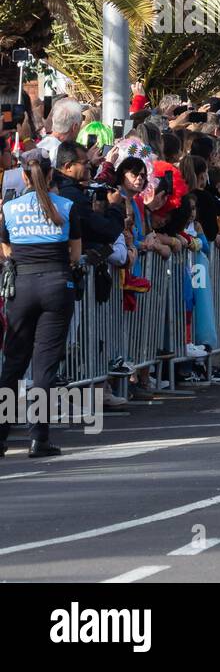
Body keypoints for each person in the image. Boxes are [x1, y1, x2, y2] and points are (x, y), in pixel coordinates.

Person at [0, 149, 82, 458]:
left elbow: (5, 249)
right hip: (57, 285)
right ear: (50, 176)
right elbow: (75, 255)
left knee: (13, 364)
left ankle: (1, 436)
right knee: (44, 368)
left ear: (23, 176)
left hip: (21, 287)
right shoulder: (67, 207)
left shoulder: (9, 208)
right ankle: (39, 438)